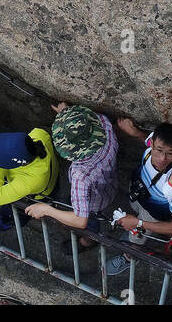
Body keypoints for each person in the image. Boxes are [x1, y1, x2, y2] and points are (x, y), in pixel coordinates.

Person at [25, 103, 118, 246]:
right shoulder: (104, 125)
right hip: (109, 187)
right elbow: (86, 123)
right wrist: (69, 116)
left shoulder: (80, 176)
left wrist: (46, 209)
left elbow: (80, 220)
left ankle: (87, 242)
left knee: (90, 226)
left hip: (93, 206)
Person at [106, 120, 172, 274]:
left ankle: (130, 256)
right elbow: (144, 137)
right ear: (151, 144)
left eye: (170, 154)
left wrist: (138, 222)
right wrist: (134, 132)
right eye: (158, 150)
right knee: (135, 214)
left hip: (153, 213)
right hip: (139, 193)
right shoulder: (153, 142)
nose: (162, 158)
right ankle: (133, 232)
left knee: (136, 238)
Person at [0, 129, 59, 209]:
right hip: (53, 172)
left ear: (23, 163)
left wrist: (0, 166)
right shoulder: (38, 134)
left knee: (15, 213)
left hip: (38, 197)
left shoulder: (30, 181)